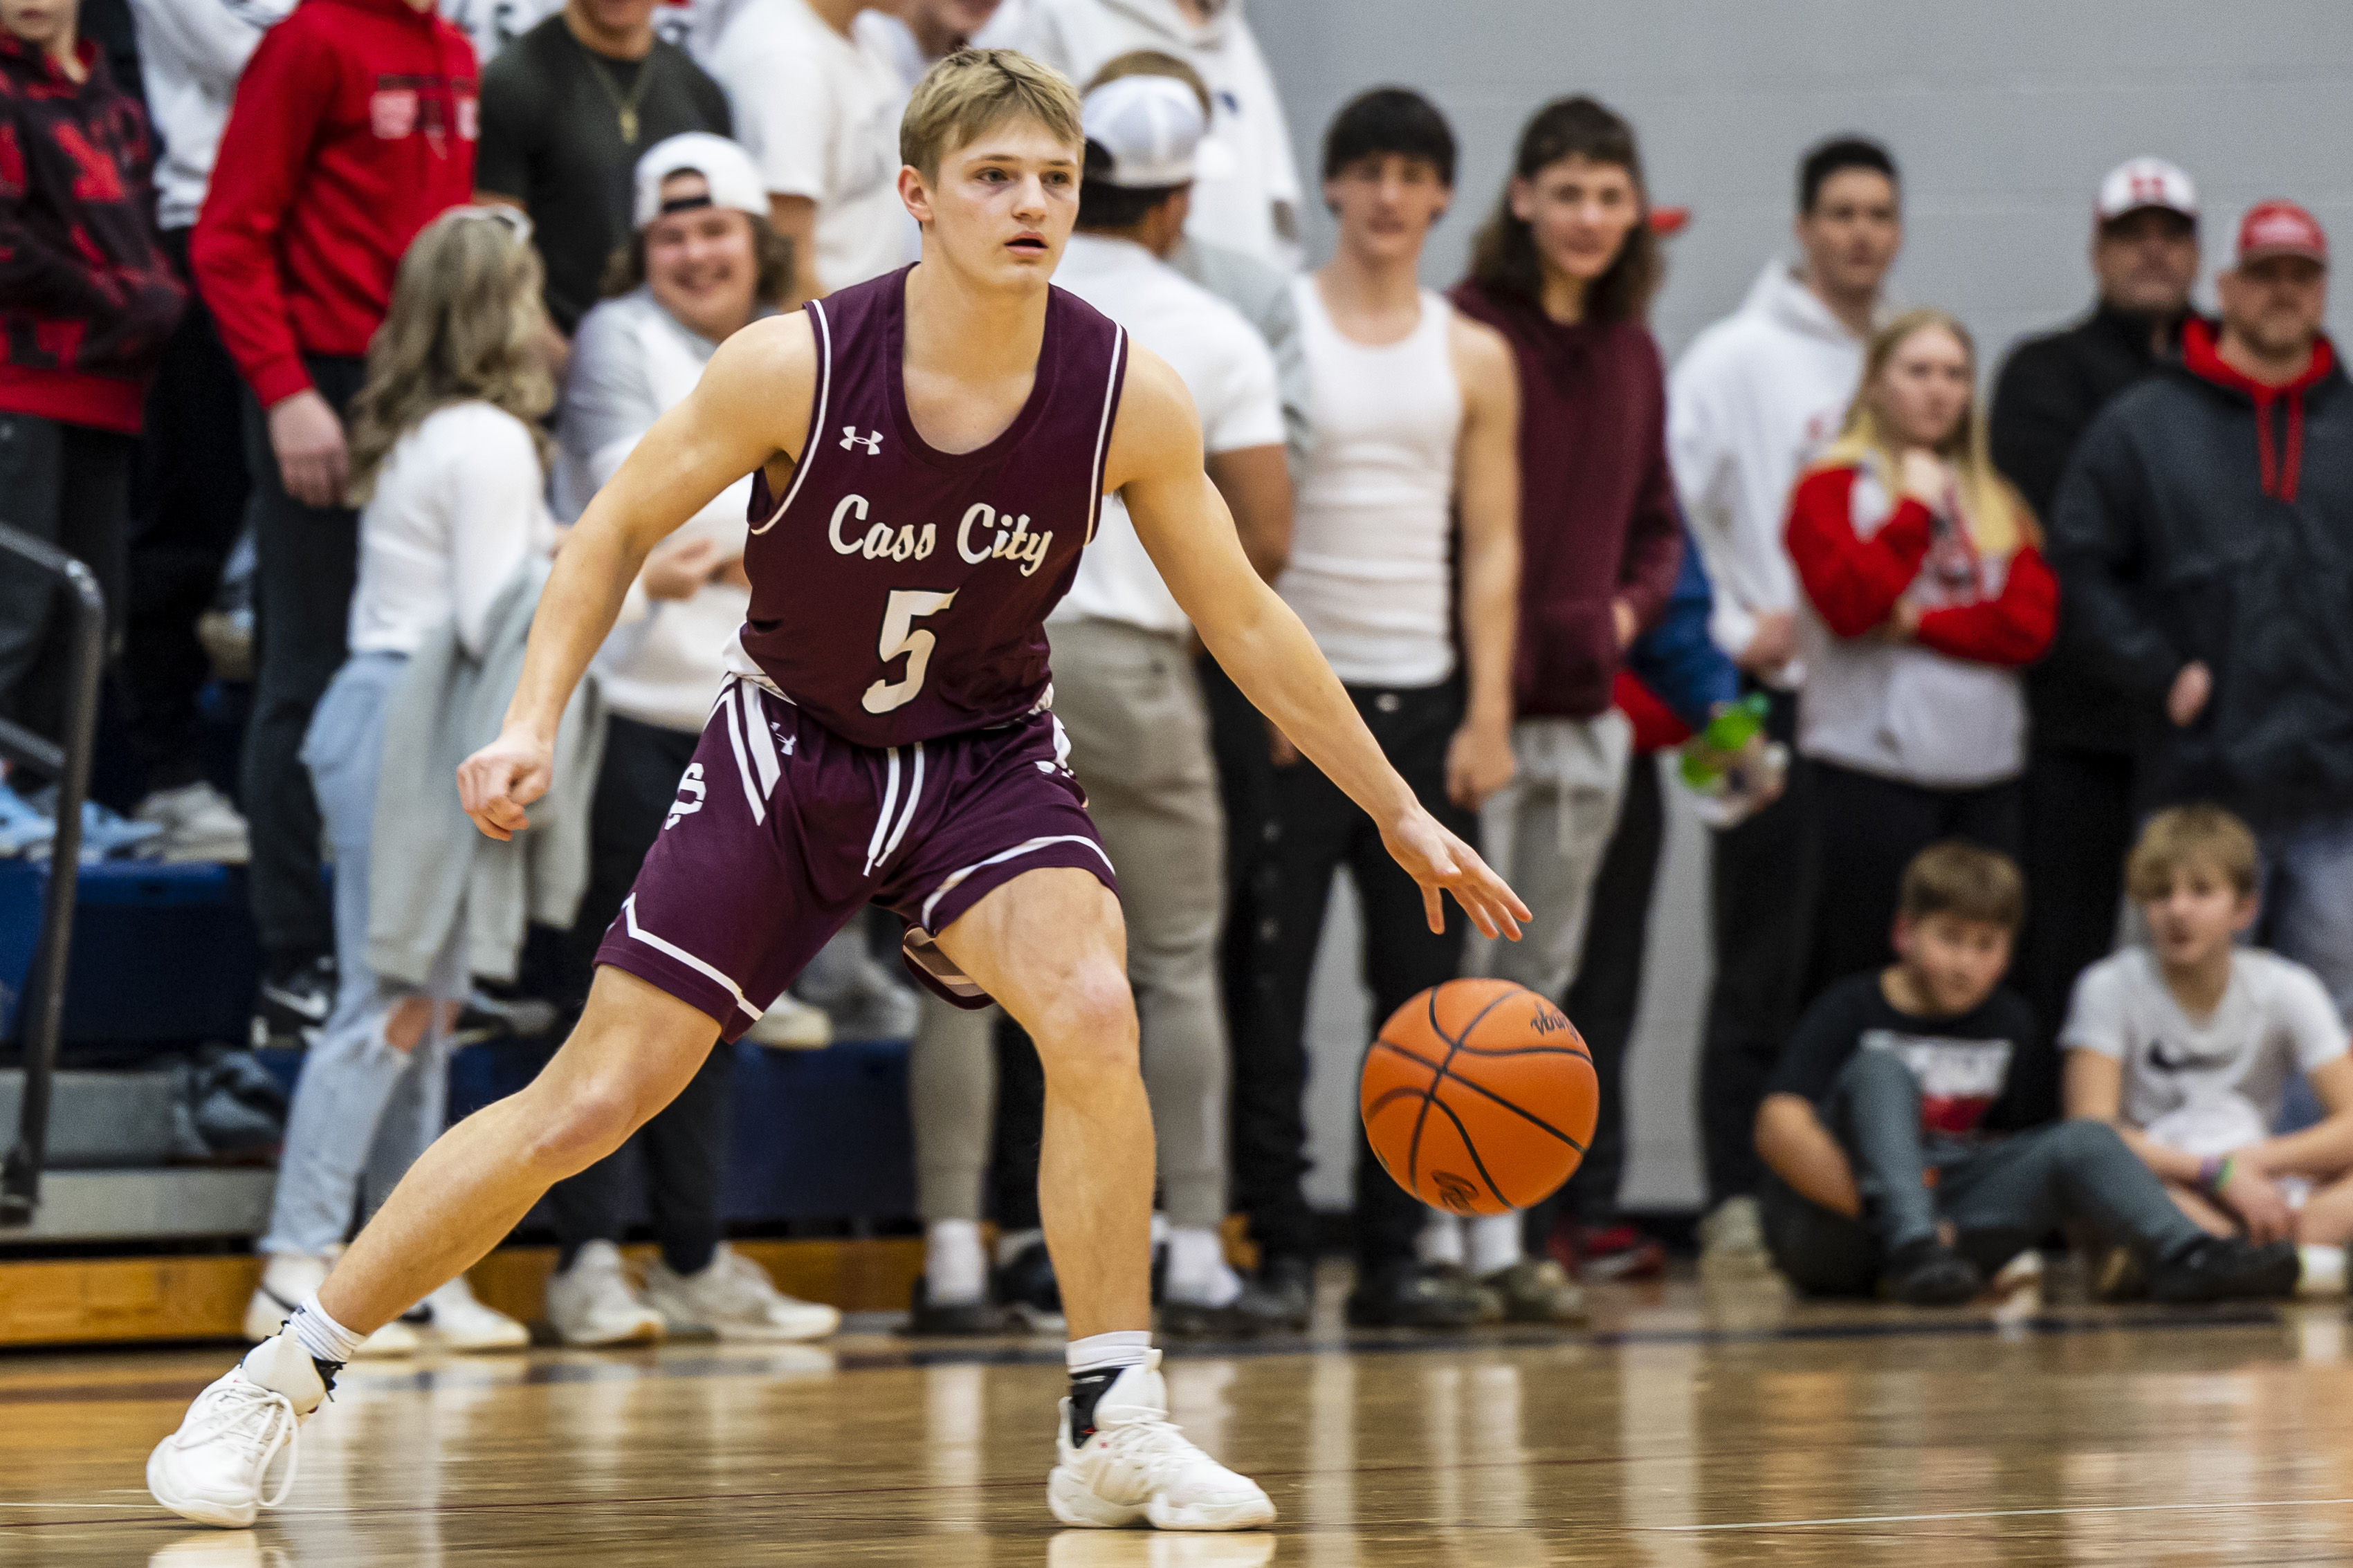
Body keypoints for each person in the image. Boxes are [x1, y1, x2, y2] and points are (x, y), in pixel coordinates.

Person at [148, 48, 1525, 1533]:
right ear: (916, 195)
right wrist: (533, 715)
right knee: (590, 1096)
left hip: (982, 757)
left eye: (1054, 178)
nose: (1031, 204)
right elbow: (605, 529)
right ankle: (280, 1373)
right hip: (789, 753)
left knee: (1090, 1004)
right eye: (995, 176)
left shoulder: (1125, 392)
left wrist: (1392, 802)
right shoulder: (790, 362)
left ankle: (1113, 1411)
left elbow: (1246, 618)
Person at [905, 73, 1290, 1336]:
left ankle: (958, 1257)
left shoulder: (982, 301)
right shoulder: (1209, 335)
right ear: (1179, 202)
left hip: (976, 655)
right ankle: (1189, 1254)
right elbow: (1263, 543)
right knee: (1171, 965)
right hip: (1130, 661)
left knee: (959, 969)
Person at [1226, 87, 1528, 1331]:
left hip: (1428, 708)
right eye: (1369, 172)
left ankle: (1399, 1256)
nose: (1391, 195)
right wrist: (1271, 695)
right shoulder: (1276, 320)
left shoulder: (1473, 351)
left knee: (1426, 1008)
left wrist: (1488, 712)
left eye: (1415, 174)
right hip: (1305, 708)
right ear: (1335, 187)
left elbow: (1496, 545)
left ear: (1444, 195)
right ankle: (1285, 1249)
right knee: (1273, 998)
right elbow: (1239, 527)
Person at [540, 133, 842, 1346]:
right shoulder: (621, 340)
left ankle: (693, 1255)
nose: (694, 253)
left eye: (713, 229)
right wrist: (761, 533)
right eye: (670, 236)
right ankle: (584, 1263)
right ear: (641, 250)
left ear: (754, 236)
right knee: (610, 1005)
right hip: (631, 720)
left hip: (747, 718)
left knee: (719, 1007)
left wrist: (745, 539)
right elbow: (654, 535)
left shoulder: (801, 343)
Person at [239, 206, 553, 1359]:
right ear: (502, 306)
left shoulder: (434, 430)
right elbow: (487, 617)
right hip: (413, 725)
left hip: (382, 713)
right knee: (394, 1000)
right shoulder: (487, 438)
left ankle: (407, 1272)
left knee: (429, 1005)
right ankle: (297, 1260)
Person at [190, 0, 478, 1048]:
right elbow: (228, 237)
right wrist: (282, 389)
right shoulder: (311, 39)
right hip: (322, 385)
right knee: (305, 673)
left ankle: (406, 954)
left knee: (426, 675)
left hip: (429, 396)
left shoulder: (452, 48)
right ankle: (293, 960)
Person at [1442, 94, 1678, 1307]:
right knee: (1454, 977)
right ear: (1523, 198)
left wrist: (1624, 616)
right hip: (1473, 715)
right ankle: (1434, 1235)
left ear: (1632, 210)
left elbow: (1657, 528)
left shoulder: (1637, 349)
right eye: (1568, 191)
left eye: (1609, 193)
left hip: (1589, 718)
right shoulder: (1466, 331)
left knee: (1542, 987)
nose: (1588, 216)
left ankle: (1507, 1232)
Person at [1667, 135, 1901, 1273]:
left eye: (1878, 214)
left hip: (1861, 704)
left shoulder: (1897, 364)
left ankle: (1828, 1202)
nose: (1860, 232)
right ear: (1805, 227)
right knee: (1753, 944)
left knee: (1845, 953)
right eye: (1841, 213)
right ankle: (1731, 1203)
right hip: (1739, 699)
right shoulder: (1733, 357)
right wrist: (1721, 632)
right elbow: (1664, 517)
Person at [1755, 840, 2299, 1307]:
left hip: (1942, 1234)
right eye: (1949, 937)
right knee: (1881, 1068)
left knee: (2083, 1137)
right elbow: (1778, 1127)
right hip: (1837, 1225)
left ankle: (2185, 1255)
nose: (1966, 962)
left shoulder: (2009, 1021)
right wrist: (1893, 1214)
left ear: (2007, 953)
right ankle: (1912, 1243)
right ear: (1904, 933)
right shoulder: (1852, 1007)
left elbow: (2022, 1149)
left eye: (1984, 944)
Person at [2051, 200, 2353, 1030]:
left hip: (2337, 795)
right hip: (2199, 787)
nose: (2281, 293)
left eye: (2300, 276)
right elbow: (2074, 567)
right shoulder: (2142, 427)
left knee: (2332, 1025)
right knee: (2186, 1015)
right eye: (2262, 276)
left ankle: (2315, 1166)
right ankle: (2198, 1165)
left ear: (2323, 289)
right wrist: (2152, 669)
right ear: (2223, 286)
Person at [1990, 157, 2202, 1126]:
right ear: (2098, 248)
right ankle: (2048, 1160)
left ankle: (2194, 1169)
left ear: (2197, 252)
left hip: (2206, 728)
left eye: (2170, 233)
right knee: (2059, 955)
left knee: (2203, 951)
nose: (2152, 251)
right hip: (2078, 724)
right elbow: (2064, 541)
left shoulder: (2233, 373)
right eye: (2132, 234)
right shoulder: (2042, 373)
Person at [1786, 307, 2056, 993]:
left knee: (1979, 979)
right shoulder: (1827, 489)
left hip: (1984, 777)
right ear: (1876, 382)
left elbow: (2027, 626)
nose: (1937, 390)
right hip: (1869, 771)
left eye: (1953, 374)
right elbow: (1851, 607)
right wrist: (1908, 512)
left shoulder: (1997, 500)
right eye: (1917, 371)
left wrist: (1918, 625)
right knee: (1863, 972)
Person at [119, 0, 295, 863]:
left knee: (309, 543)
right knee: (188, 518)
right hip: (203, 226)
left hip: (323, 233)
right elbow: (260, 61)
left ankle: (291, 784)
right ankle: (167, 773)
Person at [0, 0, 183, 827]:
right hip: (19, 384)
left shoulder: (117, 103)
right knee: (17, 605)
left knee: (85, 613)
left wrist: (153, 299)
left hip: (111, 389)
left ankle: (42, 799)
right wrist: (119, 296)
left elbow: (142, 229)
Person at [1548, 529, 1748, 1280]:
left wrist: (1728, 723)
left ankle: (1588, 1208)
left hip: (1619, 757)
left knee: (1606, 993)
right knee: (1507, 983)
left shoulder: (1630, 436)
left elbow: (1675, 597)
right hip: (1502, 740)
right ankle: (1498, 1215)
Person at [2062, 806, 2353, 1295]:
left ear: (2244, 908)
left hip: (2262, 1186)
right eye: (2159, 894)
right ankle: (2279, 1260)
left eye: (2200, 891)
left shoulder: (2286, 985)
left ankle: (2220, 1257)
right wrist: (2211, 1173)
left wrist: (2252, 1163)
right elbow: (2088, 1133)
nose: (2177, 910)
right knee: (2086, 1183)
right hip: (2163, 1181)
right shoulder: (2107, 985)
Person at [976, 0, 1300, 271]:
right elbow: (1008, 174)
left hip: (1234, 300)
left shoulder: (1234, 34)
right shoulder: (1060, 15)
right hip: (1092, 297)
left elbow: (1276, 201)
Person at [475, 0, 735, 336]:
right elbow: (496, 255)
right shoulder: (513, 81)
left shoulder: (701, 93)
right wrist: (560, 361)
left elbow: (732, 239)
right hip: (555, 351)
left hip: (681, 352)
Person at [709, 0, 901, 299]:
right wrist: (838, 344)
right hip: (837, 328)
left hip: (877, 316)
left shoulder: (868, 29)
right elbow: (789, 271)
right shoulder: (787, 62)